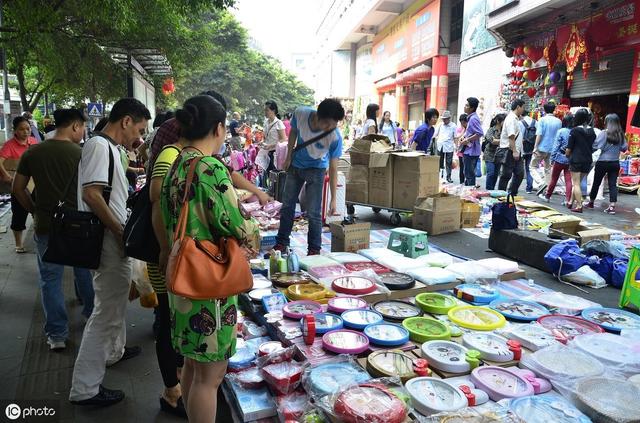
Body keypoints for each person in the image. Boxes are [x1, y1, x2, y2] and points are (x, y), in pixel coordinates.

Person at [161, 95, 259, 422]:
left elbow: (165, 216)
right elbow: (232, 221)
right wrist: (253, 229)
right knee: (211, 376)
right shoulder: (209, 166)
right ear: (218, 128)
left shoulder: (177, 163)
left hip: (182, 275)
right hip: (208, 285)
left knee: (192, 363)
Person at [69, 98, 151, 406]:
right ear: (126, 121)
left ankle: (114, 352)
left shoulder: (110, 148)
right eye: (139, 129)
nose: (140, 136)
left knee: (114, 304)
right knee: (104, 312)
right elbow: (91, 195)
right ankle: (85, 389)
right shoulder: (98, 147)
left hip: (113, 239)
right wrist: (119, 232)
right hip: (107, 241)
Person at [12, 109, 94, 351]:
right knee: (84, 272)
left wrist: (34, 210)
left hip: (47, 224)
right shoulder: (81, 154)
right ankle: (90, 316)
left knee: (50, 279)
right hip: (78, 224)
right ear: (76, 126)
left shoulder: (33, 152)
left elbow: (18, 188)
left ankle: (57, 334)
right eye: (83, 128)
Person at [274, 98, 345, 255]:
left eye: (333, 126)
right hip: (295, 167)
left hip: (316, 170)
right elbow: (293, 132)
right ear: (318, 116)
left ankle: (314, 249)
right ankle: (281, 243)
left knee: (313, 213)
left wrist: (333, 199)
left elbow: (333, 168)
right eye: (327, 124)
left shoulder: (335, 137)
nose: (329, 129)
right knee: (287, 207)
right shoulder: (301, 113)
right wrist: (288, 157)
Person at [0, 116, 38, 252]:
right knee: (19, 214)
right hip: (18, 186)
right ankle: (18, 244)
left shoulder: (34, 142)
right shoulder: (9, 145)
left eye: (27, 128)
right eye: (21, 129)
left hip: (34, 184)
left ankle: (38, 236)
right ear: (15, 130)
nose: (25, 132)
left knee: (37, 211)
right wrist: (5, 175)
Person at [585, 113, 627, 214]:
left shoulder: (604, 133)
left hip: (602, 162)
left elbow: (596, 145)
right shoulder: (620, 134)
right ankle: (612, 206)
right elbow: (624, 148)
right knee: (613, 184)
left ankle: (591, 202)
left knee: (596, 182)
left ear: (607, 122)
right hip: (614, 163)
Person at [565, 108, 596, 213]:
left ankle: (579, 205)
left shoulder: (574, 131)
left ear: (577, 118)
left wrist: (567, 154)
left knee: (576, 183)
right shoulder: (592, 131)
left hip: (576, 159)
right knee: (577, 182)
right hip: (587, 160)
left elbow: (569, 148)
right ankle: (570, 202)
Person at [540, 113, 574, 206]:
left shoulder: (561, 131)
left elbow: (556, 146)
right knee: (568, 180)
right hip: (570, 159)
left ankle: (547, 196)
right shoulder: (574, 131)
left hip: (559, 158)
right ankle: (568, 200)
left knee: (554, 178)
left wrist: (552, 158)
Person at [497, 99, 526, 195]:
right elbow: (511, 136)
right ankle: (501, 196)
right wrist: (514, 151)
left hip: (516, 151)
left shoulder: (515, 119)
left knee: (519, 174)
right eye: (523, 107)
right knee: (506, 175)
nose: (523, 110)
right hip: (510, 151)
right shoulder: (511, 119)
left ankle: (511, 194)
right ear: (518, 107)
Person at [532, 102, 561, 193]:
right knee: (548, 169)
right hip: (553, 149)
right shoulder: (559, 121)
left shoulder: (542, 120)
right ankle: (547, 189)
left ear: (544, 110)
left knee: (532, 166)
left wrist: (535, 147)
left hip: (542, 147)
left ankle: (541, 183)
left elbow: (539, 134)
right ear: (554, 110)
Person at [460, 97, 484, 186]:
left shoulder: (473, 118)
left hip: (471, 151)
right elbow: (472, 132)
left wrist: (467, 139)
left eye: (467, 105)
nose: (464, 107)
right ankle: (467, 192)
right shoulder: (471, 118)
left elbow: (480, 133)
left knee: (469, 174)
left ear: (472, 108)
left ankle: (470, 194)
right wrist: (464, 137)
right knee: (468, 173)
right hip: (470, 150)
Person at [262, 100, 287, 174]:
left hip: (276, 154)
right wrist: (262, 143)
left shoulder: (279, 123)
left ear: (273, 110)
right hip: (266, 152)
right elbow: (267, 137)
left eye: (267, 110)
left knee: (274, 177)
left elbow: (283, 139)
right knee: (267, 175)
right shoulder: (266, 122)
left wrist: (271, 145)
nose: (265, 112)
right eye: (264, 110)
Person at [483, 113, 506, 190]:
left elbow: (507, 140)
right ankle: (488, 190)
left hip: (499, 155)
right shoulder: (491, 130)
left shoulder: (504, 131)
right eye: (504, 121)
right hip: (489, 154)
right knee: (491, 173)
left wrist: (498, 141)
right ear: (498, 121)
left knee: (496, 174)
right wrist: (503, 141)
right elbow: (492, 141)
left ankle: (492, 190)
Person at [435, 110, 457, 183]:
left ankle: (449, 177)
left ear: (449, 118)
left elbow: (455, 137)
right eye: (443, 119)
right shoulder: (440, 125)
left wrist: (456, 146)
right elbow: (435, 134)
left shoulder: (453, 125)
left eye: (445, 119)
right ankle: (439, 177)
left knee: (449, 162)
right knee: (439, 162)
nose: (444, 120)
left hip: (449, 146)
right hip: (440, 145)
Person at [521, 111, 536, 193]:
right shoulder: (535, 122)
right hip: (531, 148)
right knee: (529, 168)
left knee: (517, 168)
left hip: (522, 149)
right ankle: (529, 188)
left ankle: (513, 186)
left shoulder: (520, 123)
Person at [455, 114, 468, 184]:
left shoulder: (469, 128)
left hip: (467, 151)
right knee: (462, 168)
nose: (462, 124)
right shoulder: (461, 129)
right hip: (461, 151)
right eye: (461, 122)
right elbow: (458, 138)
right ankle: (461, 182)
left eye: (464, 122)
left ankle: (466, 182)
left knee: (467, 168)